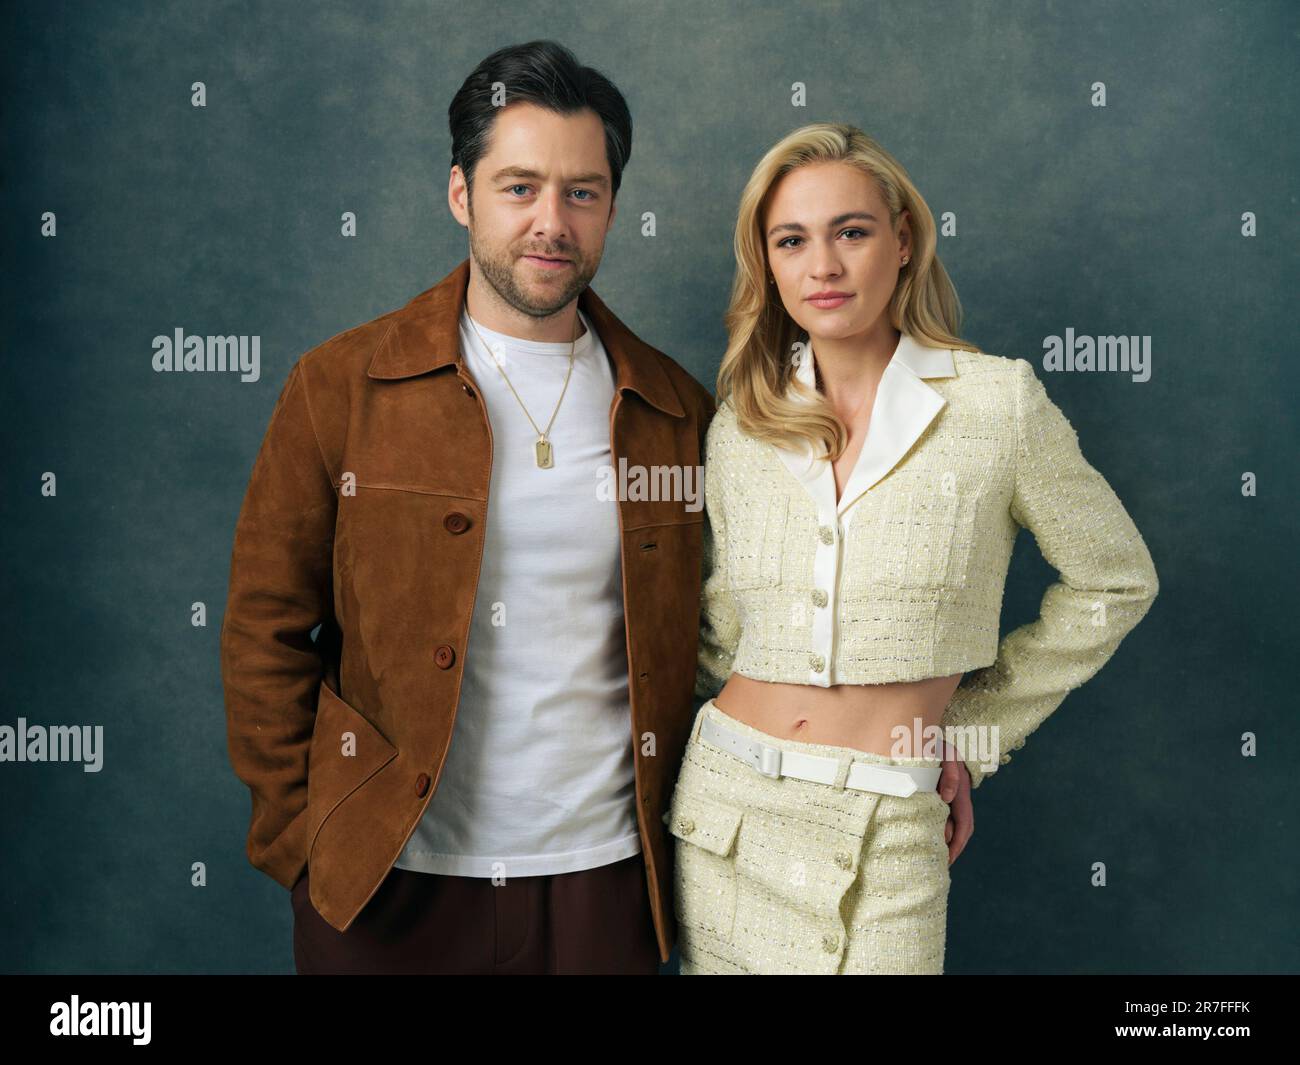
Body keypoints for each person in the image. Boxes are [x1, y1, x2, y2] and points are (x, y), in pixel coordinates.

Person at [220, 40, 714, 974]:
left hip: (606, 884)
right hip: (390, 884)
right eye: (519, 187)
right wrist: (306, 838)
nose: (551, 222)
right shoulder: (342, 386)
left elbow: (736, 629)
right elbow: (262, 629)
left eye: (582, 191)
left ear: (611, 206)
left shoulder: (676, 410)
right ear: (462, 195)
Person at [671, 123, 1159, 974]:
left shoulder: (996, 406)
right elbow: (722, 630)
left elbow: (1114, 580)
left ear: (903, 241)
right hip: (724, 813)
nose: (822, 265)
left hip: (888, 825)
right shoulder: (741, 425)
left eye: (851, 232)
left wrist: (968, 736)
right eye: (792, 240)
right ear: (769, 263)